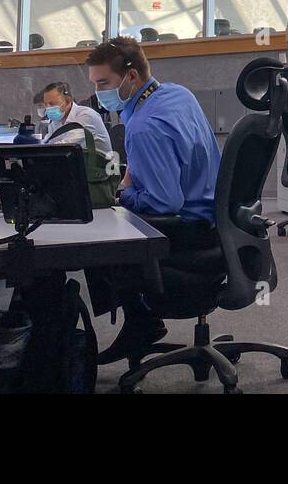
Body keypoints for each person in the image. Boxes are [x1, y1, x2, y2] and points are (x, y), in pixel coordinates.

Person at [84, 36, 222, 362]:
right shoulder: (176, 94)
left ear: (131, 76)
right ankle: (141, 320)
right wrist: (129, 180)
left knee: (96, 235)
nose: (99, 93)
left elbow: (164, 203)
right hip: (215, 217)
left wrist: (123, 197)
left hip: (186, 228)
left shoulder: (143, 126)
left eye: (104, 82)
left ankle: (141, 320)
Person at [35, 81, 111, 155]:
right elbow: (47, 144)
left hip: (102, 166)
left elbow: (66, 147)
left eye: (52, 104)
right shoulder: (55, 122)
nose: (48, 108)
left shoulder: (86, 115)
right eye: (46, 104)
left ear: (68, 101)